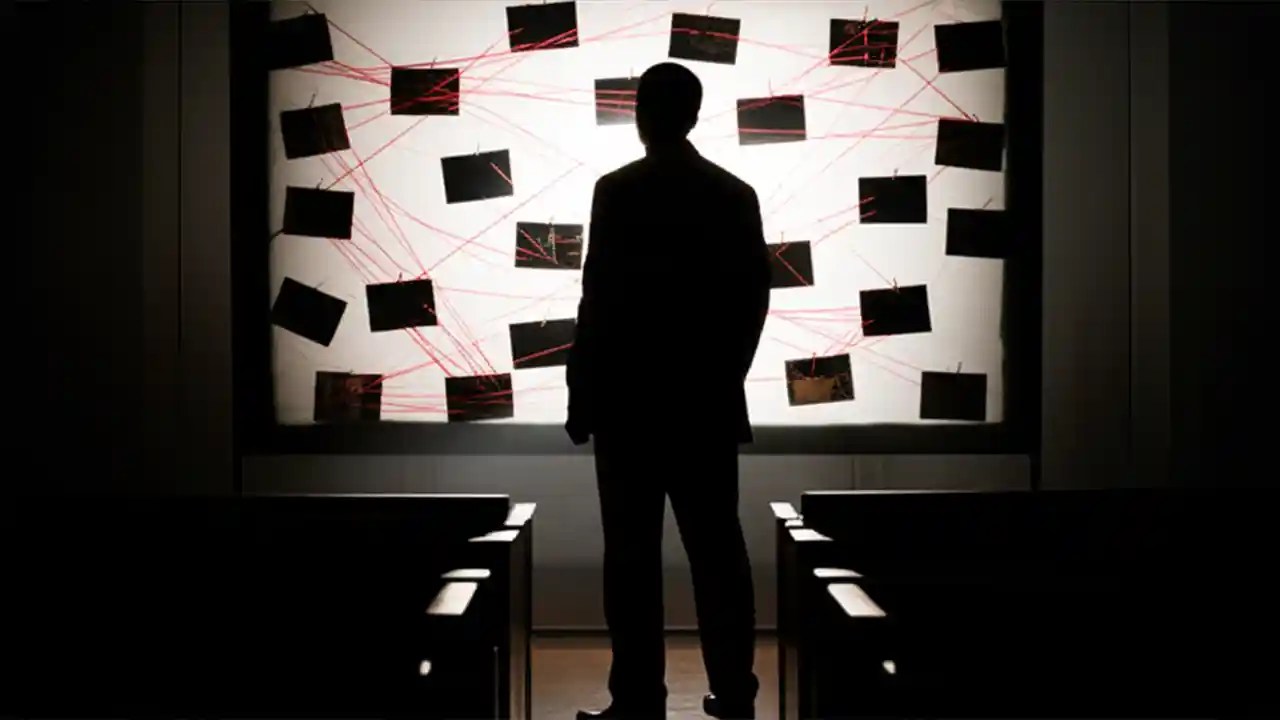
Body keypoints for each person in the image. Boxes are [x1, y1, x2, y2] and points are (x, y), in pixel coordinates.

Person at [566, 62, 772, 720]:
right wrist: (724, 379)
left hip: (628, 407)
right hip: (704, 406)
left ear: (642, 114)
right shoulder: (733, 194)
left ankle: (636, 700)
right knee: (718, 554)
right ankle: (735, 693)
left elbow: (596, 301)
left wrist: (581, 391)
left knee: (630, 559)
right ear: (693, 113)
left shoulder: (617, 191)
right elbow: (752, 302)